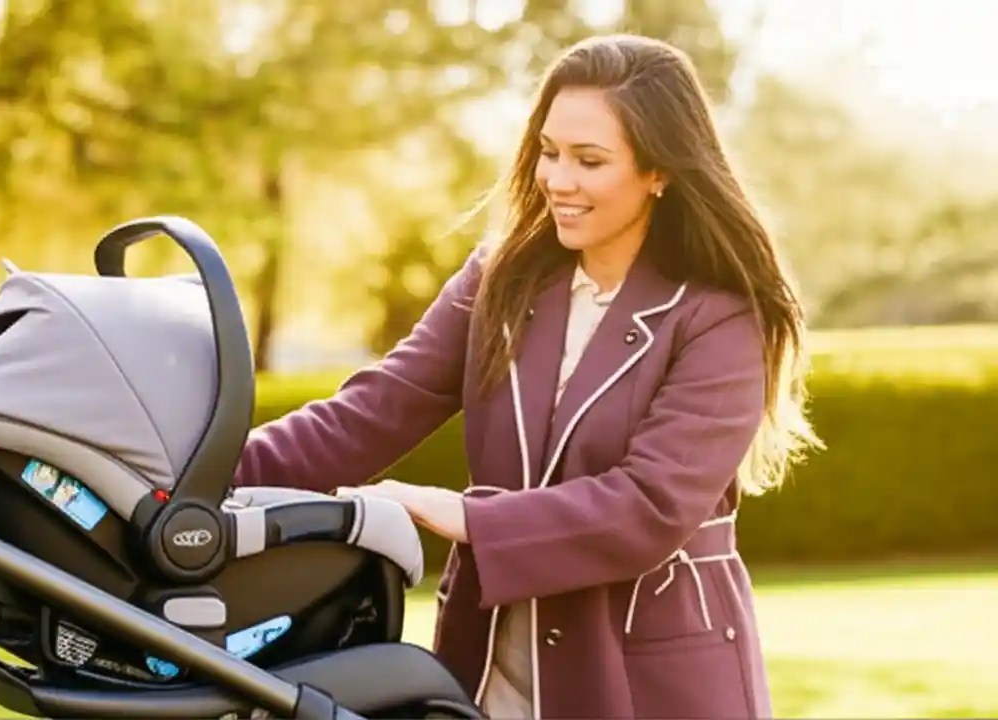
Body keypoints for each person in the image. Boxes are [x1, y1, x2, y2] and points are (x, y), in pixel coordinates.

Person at [233, 33, 821, 720]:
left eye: (589, 160)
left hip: (652, 684)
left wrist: (466, 516)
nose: (557, 180)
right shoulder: (498, 281)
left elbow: (650, 507)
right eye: (549, 151)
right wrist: (193, 482)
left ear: (659, 171)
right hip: (490, 670)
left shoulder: (719, 317)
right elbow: (371, 412)